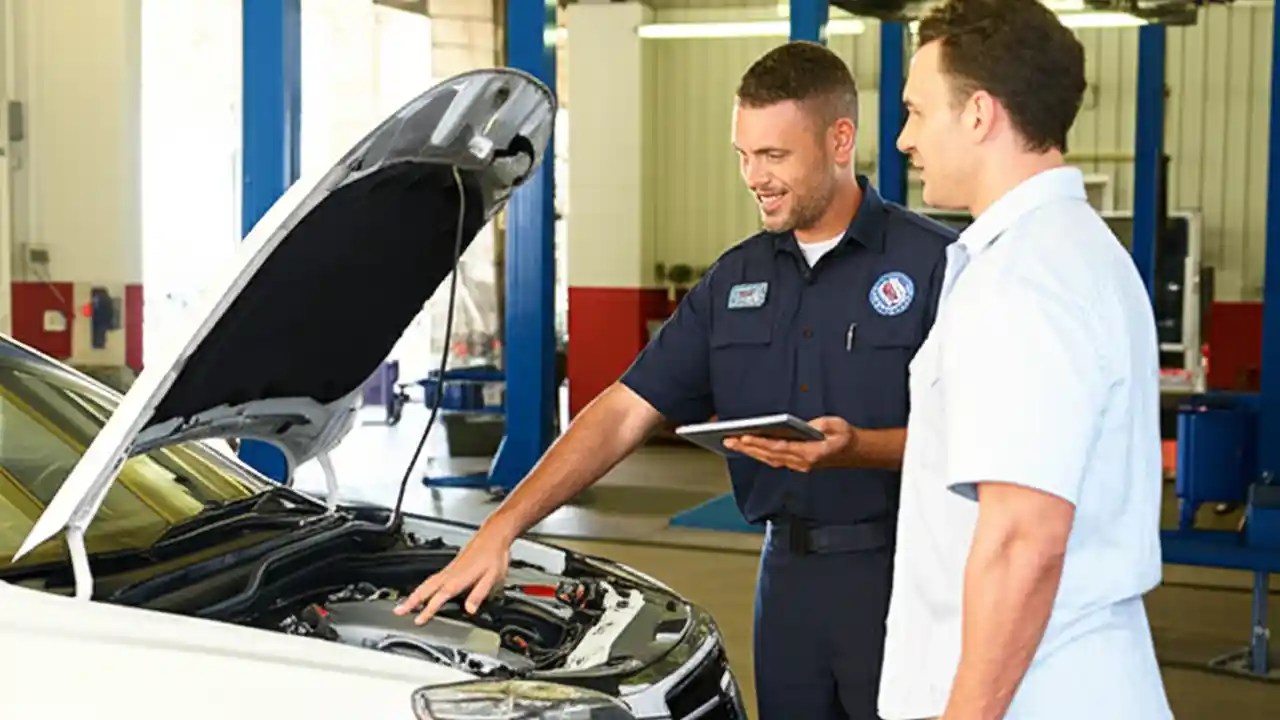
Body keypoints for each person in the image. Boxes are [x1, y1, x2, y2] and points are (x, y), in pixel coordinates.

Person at [393, 41, 956, 719]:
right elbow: (625, 411)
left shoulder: (937, 266)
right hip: (786, 583)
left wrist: (858, 447)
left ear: (840, 140)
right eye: (743, 155)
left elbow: (982, 439)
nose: (754, 177)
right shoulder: (735, 280)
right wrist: (502, 527)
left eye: (774, 156)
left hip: (902, 573)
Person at [874, 1, 1170, 718]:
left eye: (916, 110)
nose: (905, 138)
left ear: (978, 114)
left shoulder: (1023, 279)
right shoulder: (1074, 251)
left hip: (1034, 694)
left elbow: (1023, 538)